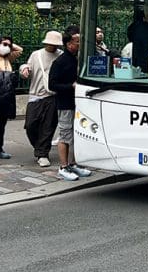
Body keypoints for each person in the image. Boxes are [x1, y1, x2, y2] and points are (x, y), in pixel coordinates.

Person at [47, 26, 91, 181]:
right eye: (77, 42)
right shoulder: (60, 62)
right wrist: (70, 86)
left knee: (76, 134)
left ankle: (73, 163)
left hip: (76, 102)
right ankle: (63, 166)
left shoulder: (77, 58)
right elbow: (52, 85)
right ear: (68, 44)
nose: (79, 44)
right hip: (65, 103)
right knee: (65, 135)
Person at [21, 31, 63, 167]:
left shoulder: (61, 56)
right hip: (36, 95)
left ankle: (42, 153)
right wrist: (25, 70)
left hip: (53, 95)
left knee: (48, 126)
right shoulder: (36, 55)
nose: (53, 46)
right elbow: (27, 67)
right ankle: (39, 147)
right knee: (30, 125)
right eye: (51, 44)